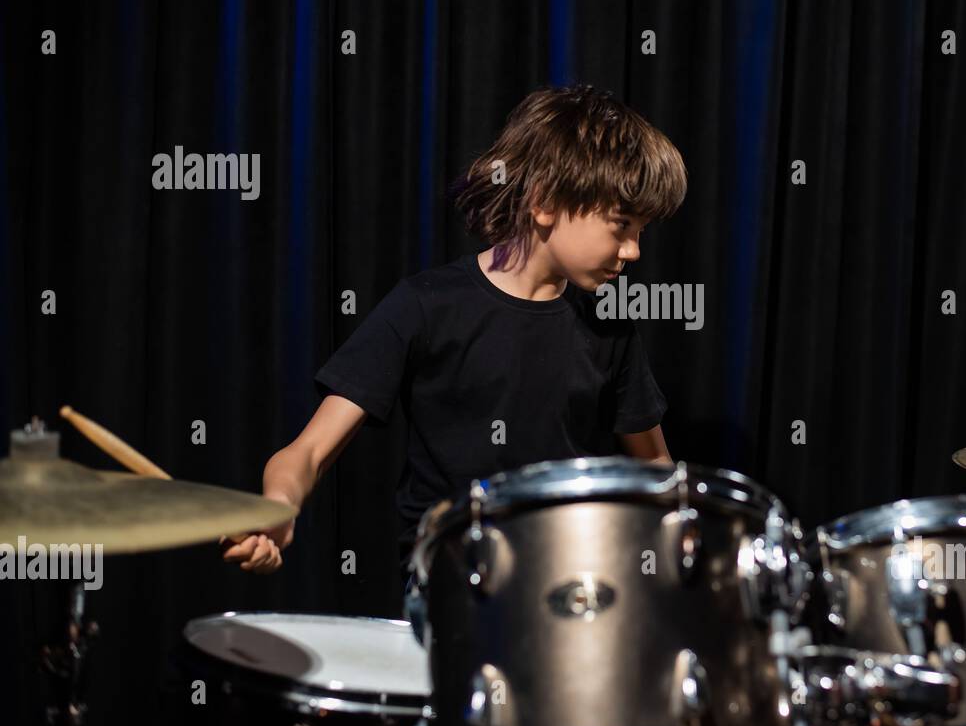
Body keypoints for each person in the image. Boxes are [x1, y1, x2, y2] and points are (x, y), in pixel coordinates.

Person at [222, 84, 686, 579]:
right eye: (621, 226)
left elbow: (653, 468)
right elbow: (307, 452)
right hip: (449, 583)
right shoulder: (426, 306)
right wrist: (277, 507)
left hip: (571, 584)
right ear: (546, 202)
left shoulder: (609, 328)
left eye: (641, 231)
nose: (634, 251)